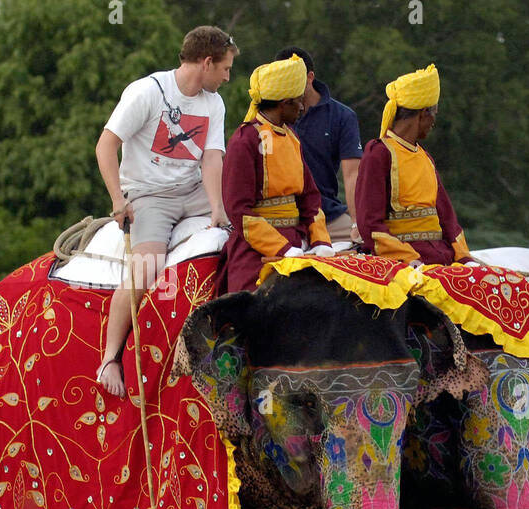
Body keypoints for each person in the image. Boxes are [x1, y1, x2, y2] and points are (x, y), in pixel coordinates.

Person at [95, 25, 236, 397]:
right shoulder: (147, 92)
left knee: (241, 230)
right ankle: (110, 357)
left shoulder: (214, 103)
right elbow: (106, 145)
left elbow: (211, 158)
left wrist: (219, 209)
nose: (227, 77)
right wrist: (117, 200)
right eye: (224, 68)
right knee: (147, 266)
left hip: (194, 191)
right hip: (149, 196)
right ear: (206, 62)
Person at [219, 54, 332, 293]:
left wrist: (320, 240)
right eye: (299, 101)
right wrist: (281, 249)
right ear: (285, 103)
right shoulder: (245, 140)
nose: (303, 107)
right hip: (256, 253)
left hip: (298, 244)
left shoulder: (291, 136)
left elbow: (310, 199)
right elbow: (238, 210)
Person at [355, 64, 471, 266]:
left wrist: (464, 257)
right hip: (405, 261)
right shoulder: (379, 154)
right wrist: (406, 258)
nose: (434, 121)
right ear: (424, 113)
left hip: (441, 257)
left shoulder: (425, 157)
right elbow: (369, 223)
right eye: (434, 113)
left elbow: (447, 219)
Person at [275, 46, 363, 244]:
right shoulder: (271, 115)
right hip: (281, 216)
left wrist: (357, 222)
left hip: (327, 214)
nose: (288, 86)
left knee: (366, 251)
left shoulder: (342, 116)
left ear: (310, 77)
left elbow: (352, 174)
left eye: (294, 78)